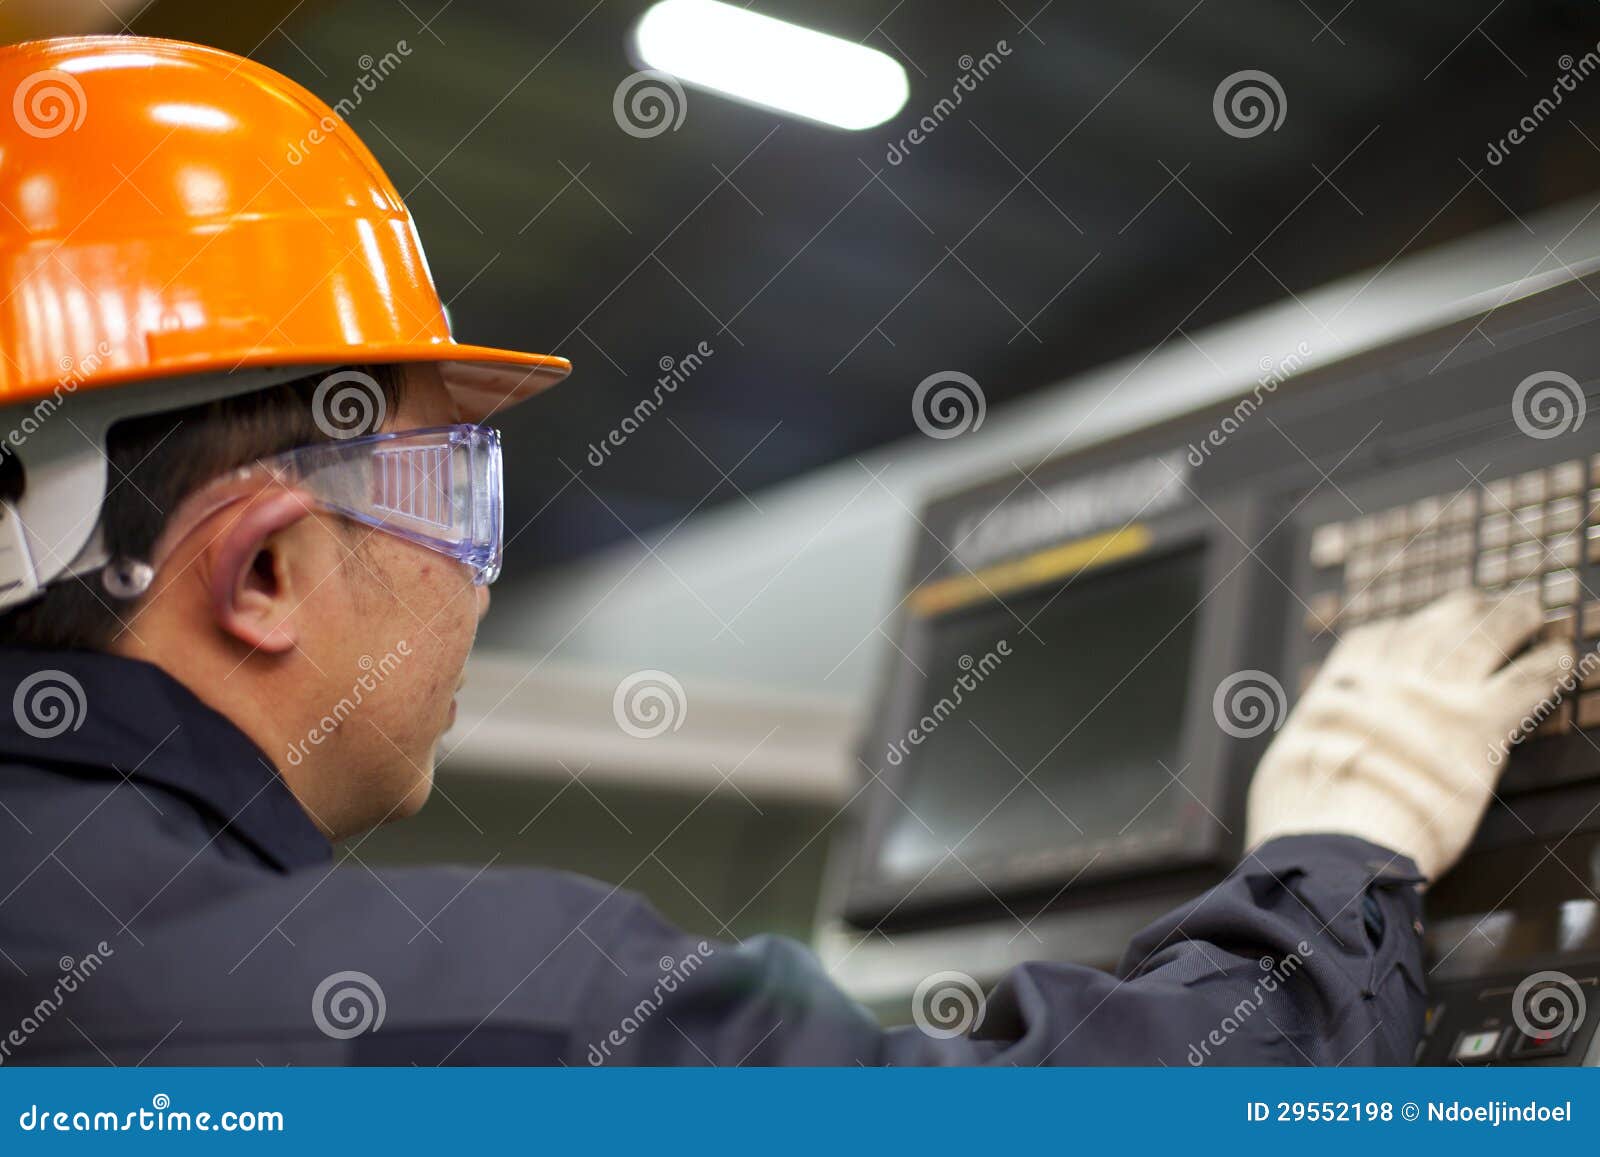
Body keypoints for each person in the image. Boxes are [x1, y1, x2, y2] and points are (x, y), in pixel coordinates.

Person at [0, 36, 1571, 1066]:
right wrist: (1338, 857)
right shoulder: (503, 1010)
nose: (470, 573)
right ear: (262, 572)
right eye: (451, 488)